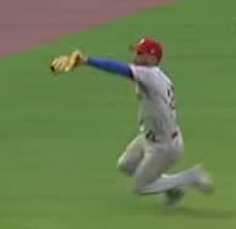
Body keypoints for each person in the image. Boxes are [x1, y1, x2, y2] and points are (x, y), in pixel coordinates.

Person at [48, 38, 214, 206]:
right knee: (125, 166)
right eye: (136, 52)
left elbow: (119, 69)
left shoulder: (150, 74)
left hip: (164, 145)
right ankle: (174, 190)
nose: (135, 56)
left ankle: (192, 176)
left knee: (142, 187)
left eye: (140, 53)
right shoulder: (152, 76)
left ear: (152, 58)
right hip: (150, 137)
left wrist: (87, 61)